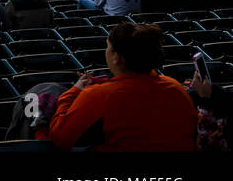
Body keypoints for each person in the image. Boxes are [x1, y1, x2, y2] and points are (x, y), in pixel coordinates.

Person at [48, 23, 197, 152]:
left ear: (116, 57)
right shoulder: (175, 87)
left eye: (108, 47)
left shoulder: (99, 95)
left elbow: (61, 138)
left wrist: (75, 90)